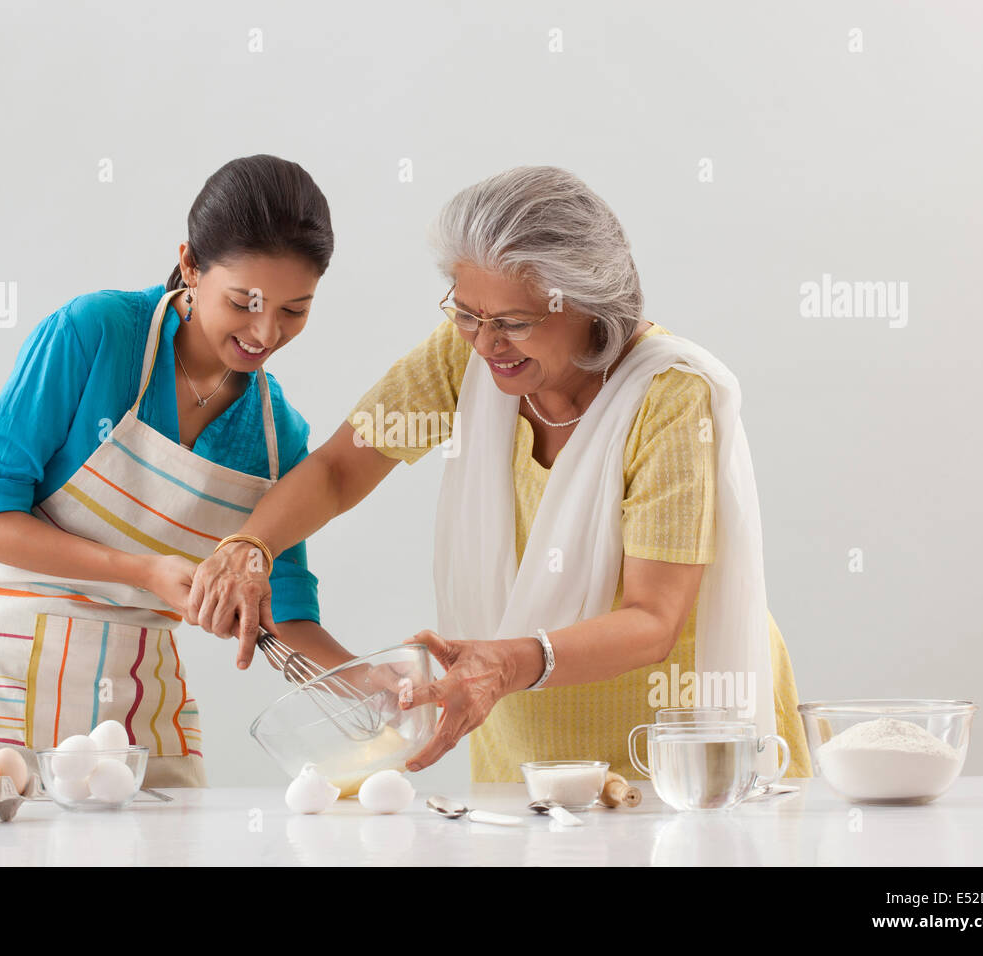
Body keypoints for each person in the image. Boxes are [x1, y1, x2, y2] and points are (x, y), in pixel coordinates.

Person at [188, 165, 811, 782]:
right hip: (524, 752)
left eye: (514, 323)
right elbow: (338, 469)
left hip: (674, 758)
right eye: (466, 314)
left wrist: (507, 665)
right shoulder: (467, 356)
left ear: (592, 305)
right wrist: (250, 546)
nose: (485, 344)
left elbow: (653, 620)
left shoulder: (669, 399)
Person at [0, 155, 353, 787]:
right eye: (245, 302)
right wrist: (146, 571)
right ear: (191, 265)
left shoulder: (276, 433)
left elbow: (281, 606)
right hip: (0, 669)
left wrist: (371, 681)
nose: (266, 332)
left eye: (295, 311)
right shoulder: (94, 335)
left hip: (137, 690)